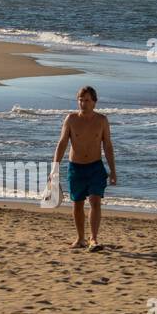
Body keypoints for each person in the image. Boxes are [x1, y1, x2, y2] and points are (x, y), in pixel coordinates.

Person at [51, 86, 116, 250]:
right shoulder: (71, 119)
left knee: (95, 201)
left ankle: (93, 239)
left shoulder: (102, 120)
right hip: (76, 168)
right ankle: (80, 239)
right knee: (77, 203)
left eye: (87, 100)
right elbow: (62, 143)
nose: (83, 103)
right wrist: (55, 168)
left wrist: (113, 170)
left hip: (95, 167)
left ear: (94, 102)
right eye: (81, 100)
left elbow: (107, 146)